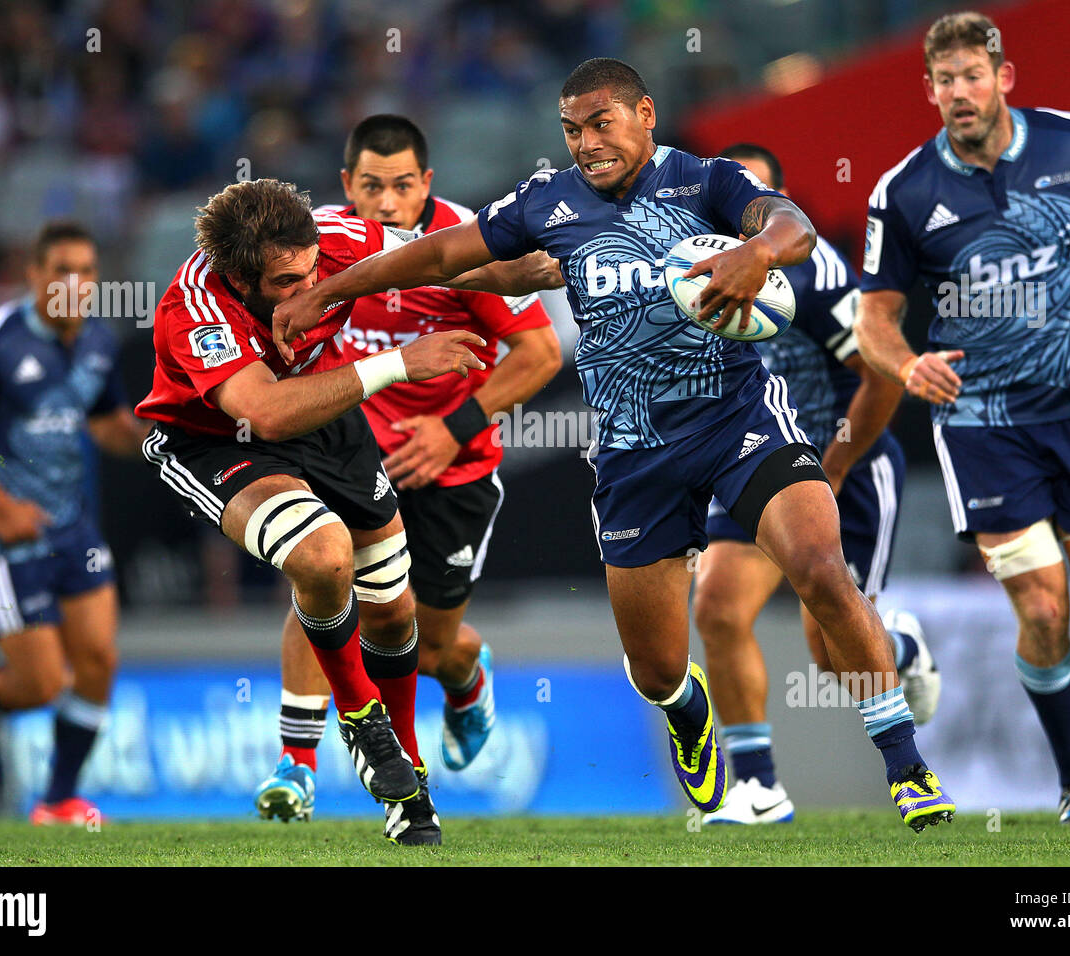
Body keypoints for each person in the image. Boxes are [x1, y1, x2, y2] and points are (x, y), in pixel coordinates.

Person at [273, 59, 956, 831]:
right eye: (572, 129)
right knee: (657, 667)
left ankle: (907, 768)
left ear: (645, 113)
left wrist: (753, 252)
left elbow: (791, 225)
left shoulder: (705, 181)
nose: (587, 143)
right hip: (633, 449)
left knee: (821, 568)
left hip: (738, 420)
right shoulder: (544, 201)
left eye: (602, 123)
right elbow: (438, 254)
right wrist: (331, 290)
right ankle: (687, 709)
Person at [135, 178, 553, 845]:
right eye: (285, 283)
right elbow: (265, 413)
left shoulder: (334, 240)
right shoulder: (196, 304)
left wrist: (545, 266)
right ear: (239, 278)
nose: (307, 289)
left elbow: (445, 259)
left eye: (310, 273)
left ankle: (405, 780)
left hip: (329, 422)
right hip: (220, 440)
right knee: (323, 557)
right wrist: (400, 363)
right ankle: (362, 728)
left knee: (391, 610)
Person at [854, 12, 1070, 823]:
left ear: (1004, 78)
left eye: (972, 76)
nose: (959, 93)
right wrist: (905, 362)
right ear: (927, 91)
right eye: (944, 81)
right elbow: (874, 321)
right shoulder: (906, 191)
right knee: (1040, 608)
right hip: (983, 425)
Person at [254, 115, 561, 820]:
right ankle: (296, 765)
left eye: (400, 186)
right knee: (321, 576)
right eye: (370, 187)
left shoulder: (464, 246)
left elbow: (541, 356)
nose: (386, 203)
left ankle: (467, 680)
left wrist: (451, 431)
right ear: (344, 185)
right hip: (351, 457)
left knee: (426, 643)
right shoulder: (321, 243)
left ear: (426, 182)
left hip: (451, 467)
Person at [691, 144, 940, 826]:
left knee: (832, 655)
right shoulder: (693, 261)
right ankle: (758, 787)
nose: (748, 222)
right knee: (715, 606)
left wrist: (832, 467)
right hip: (755, 453)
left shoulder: (816, 270)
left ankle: (905, 657)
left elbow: (883, 373)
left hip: (844, 461)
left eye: (761, 200)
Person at [0, 221, 146, 824]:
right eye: (63, 271)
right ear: (35, 276)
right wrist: (0, 505)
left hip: (74, 527)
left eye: (88, 271)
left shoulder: (97, 343)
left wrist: (159, 438)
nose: (76, 283)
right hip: (6, 537)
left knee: (98, 660)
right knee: (42, 684)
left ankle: (58, 799)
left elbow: (105, 425)